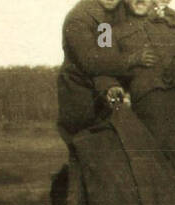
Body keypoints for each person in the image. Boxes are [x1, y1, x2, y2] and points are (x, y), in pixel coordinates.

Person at [115, 0, 175, 138]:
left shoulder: (173, 18)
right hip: (151, 100)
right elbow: (103, 62)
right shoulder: (113, 25)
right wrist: (131, 60)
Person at [57, 0, 148, 140]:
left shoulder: (122, 11)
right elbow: (92, 61)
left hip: (112, 93)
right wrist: (132, 60)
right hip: (81, 95)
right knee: (86, 149)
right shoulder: (79, 18)